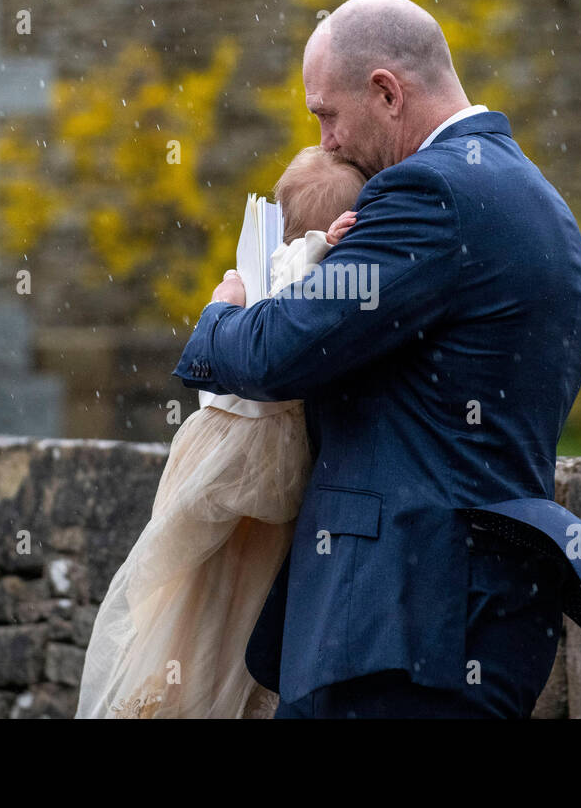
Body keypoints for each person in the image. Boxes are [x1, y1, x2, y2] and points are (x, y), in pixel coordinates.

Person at [174, 0, 581, 718]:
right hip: (477, 619)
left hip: (395, 624)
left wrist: (221, 318)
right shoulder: (540, 202)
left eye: (327, 114)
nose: (326, 142)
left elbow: (278, 351)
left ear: (387, 92)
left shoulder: (431, 195)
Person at [75, 146, 366, 718]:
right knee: (221, 596)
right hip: (249, 451)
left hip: (232, 449)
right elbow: (302, 276)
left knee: (208, 601)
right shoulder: (294, 270)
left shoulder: (271, 273)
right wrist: (329, 243)